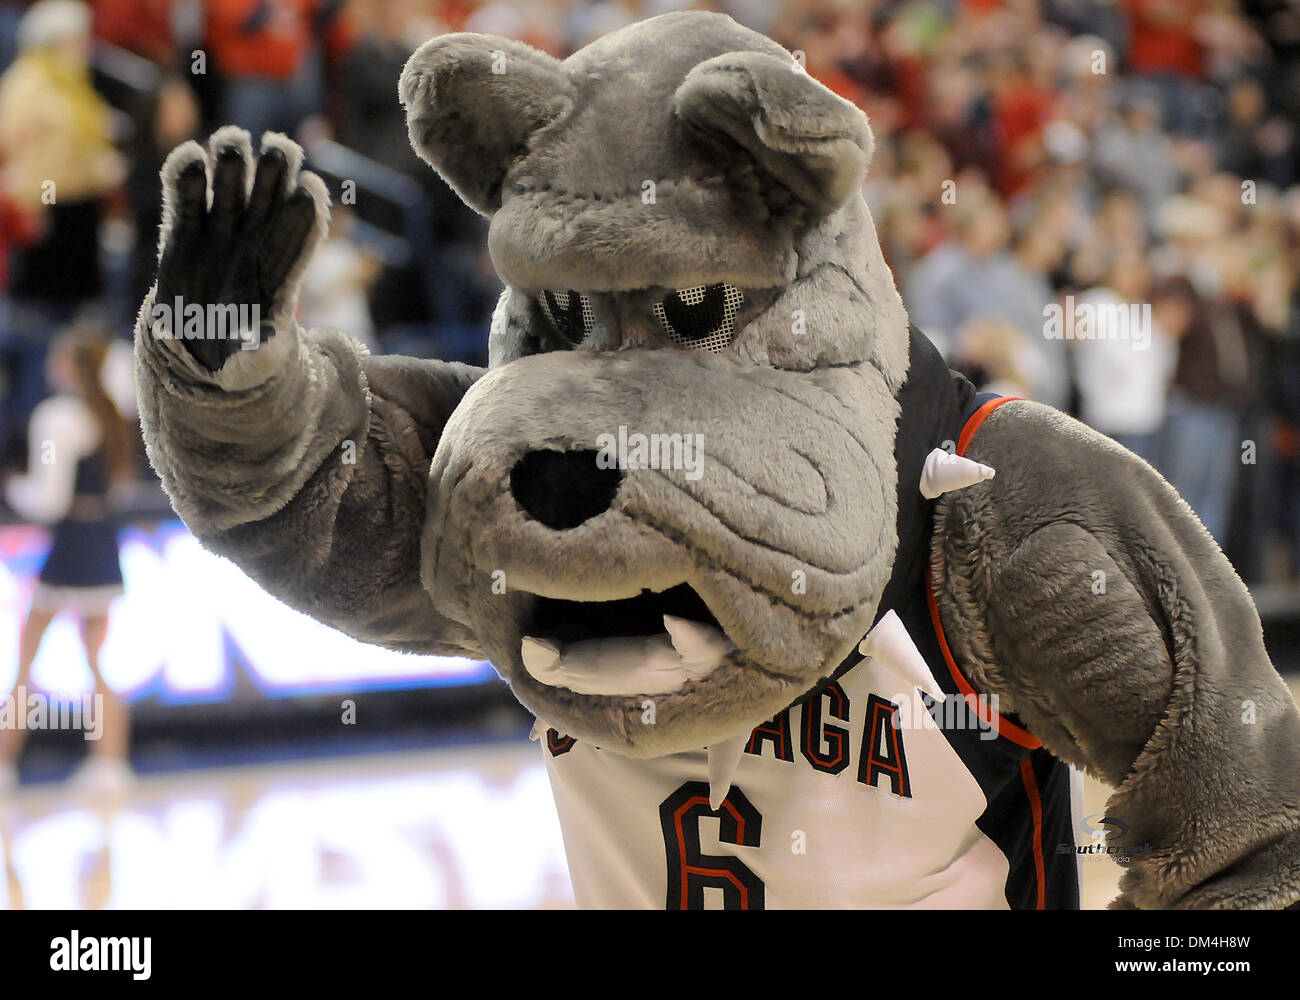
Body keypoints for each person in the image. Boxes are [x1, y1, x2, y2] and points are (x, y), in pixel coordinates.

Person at [0, 327, 133, 793]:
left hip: (71, 547)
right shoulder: (109, 411)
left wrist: (12, 487)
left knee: (25, 661)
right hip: (102, 542)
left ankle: (3, 764)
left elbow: (49, 502)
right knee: (99, 665)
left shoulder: (58, 418)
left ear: (72, 366)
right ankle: (111, 765)